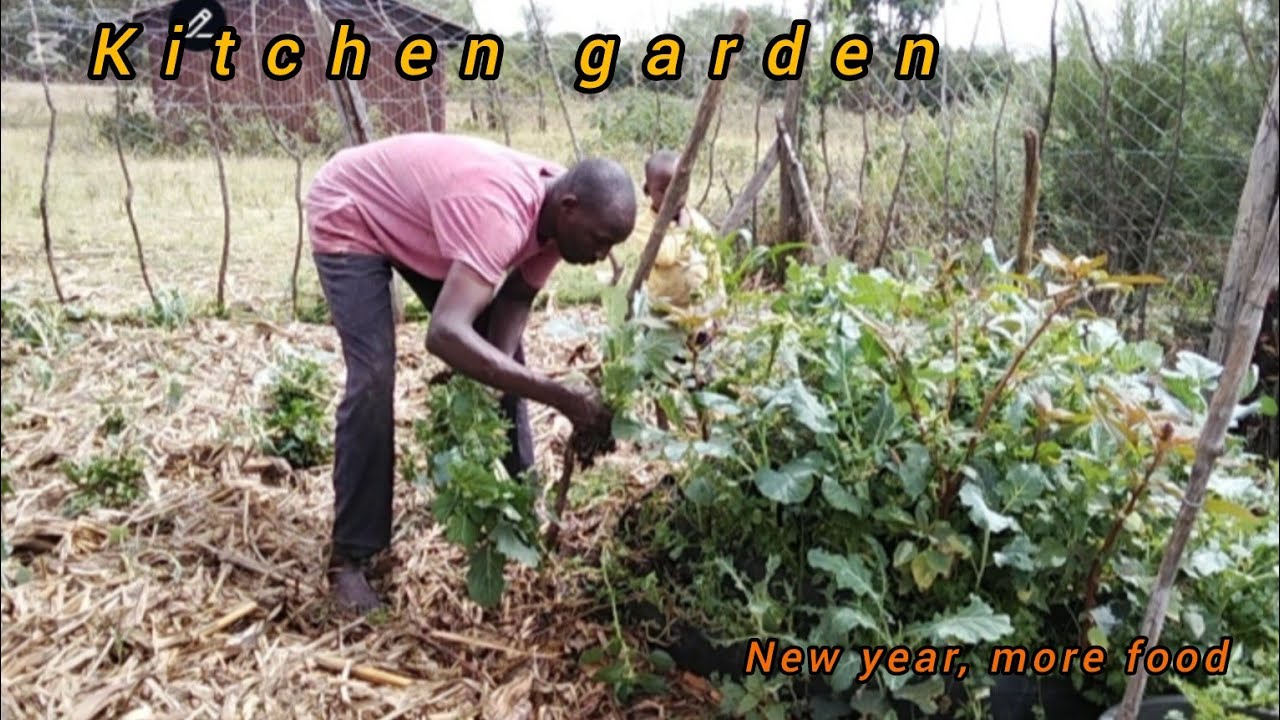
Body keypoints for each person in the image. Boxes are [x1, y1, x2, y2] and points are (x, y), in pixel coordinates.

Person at [304, 132, 637, 613]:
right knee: (373, 376)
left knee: (503, 360)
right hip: (354, 207)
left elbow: (516, 299)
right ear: (569, 208)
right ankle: (350, 559)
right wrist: (555, 394)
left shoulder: (556, 220)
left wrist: (489, 375)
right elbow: (443, 333)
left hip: (427, 223)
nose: (603, 255)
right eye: (602, 240)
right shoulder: (499, 217)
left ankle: (520, 512)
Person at [634, 150, 727, 340]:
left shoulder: (697, 222)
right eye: (664, 190)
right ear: (647, 190)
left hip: (696, 315)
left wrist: (720, 306)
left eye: (681, 188)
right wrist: (683, 231)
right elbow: (664, 254)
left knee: (698, 361)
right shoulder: (644, 225)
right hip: (660, 316)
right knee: (662, 361)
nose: (674, 196)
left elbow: (712, 260)